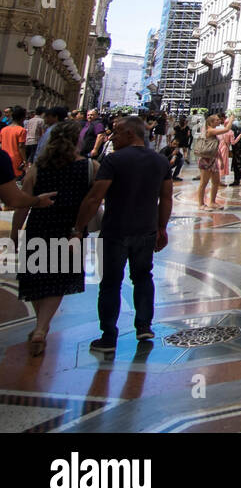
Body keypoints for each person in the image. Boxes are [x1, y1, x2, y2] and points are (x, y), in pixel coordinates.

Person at [74, 116, 172, 358]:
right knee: (143, 277)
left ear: (131, 134)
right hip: (146, 230)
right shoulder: (160, 161)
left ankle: (108, 336)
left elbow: (95, 197)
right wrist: (161, 227)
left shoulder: (114, 160)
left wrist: (78, 227)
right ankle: (144, 326)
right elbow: (166, 198)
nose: (112, 137)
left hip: (115, 230)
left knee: (110, 284)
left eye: (117, 133)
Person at [9, 121, 90, 356]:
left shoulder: (37, 167)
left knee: (36, 278)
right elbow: (93, 201)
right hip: (71, 229)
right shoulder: (87, 167)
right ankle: (42, 327)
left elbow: (23, 203)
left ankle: (39, 326)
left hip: (40, 225)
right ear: (77, 141)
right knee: (59, 279)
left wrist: (15, 232)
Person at [194, 115, 230, 210]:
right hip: (206, 159)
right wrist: (231, 120)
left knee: (216, 181)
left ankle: (212, 202)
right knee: (204, 182)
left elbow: (215, 147)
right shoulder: (209, 130)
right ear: (211, 122)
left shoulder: (212, 130)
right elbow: (226, 129)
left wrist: (221, 160)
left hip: (213, 159)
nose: (219, 121)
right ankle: (201, 204)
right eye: (217, 120)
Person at [0, 105, 29, 177]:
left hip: (4, 157)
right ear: (23, 118)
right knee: (13, 179)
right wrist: (25, 160)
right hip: (15, 159)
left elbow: (1, 144)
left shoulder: (4, 129)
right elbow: (21, 146)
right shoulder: (21, 130)